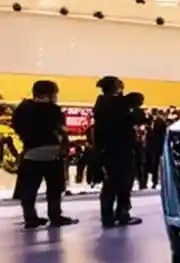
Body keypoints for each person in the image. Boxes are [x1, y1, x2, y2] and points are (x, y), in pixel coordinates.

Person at [12, 80, 78, 228]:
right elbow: (61, 130)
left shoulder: (23, 108)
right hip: (52, 152)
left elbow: (17, 126)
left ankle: (30, 218)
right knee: (54, 188)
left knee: (29, 189)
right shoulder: (54, 110)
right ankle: (55, 216)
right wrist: (64, 144)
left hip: (31, 152)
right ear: (51, 93)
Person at [93, 77, 145, 227]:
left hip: (108, 150)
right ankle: (121, 214)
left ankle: (108, 216)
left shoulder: (102, 104)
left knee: (111, 184)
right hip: (121, 149)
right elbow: (135, 117)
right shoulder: (117, 105)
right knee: (122, 184)